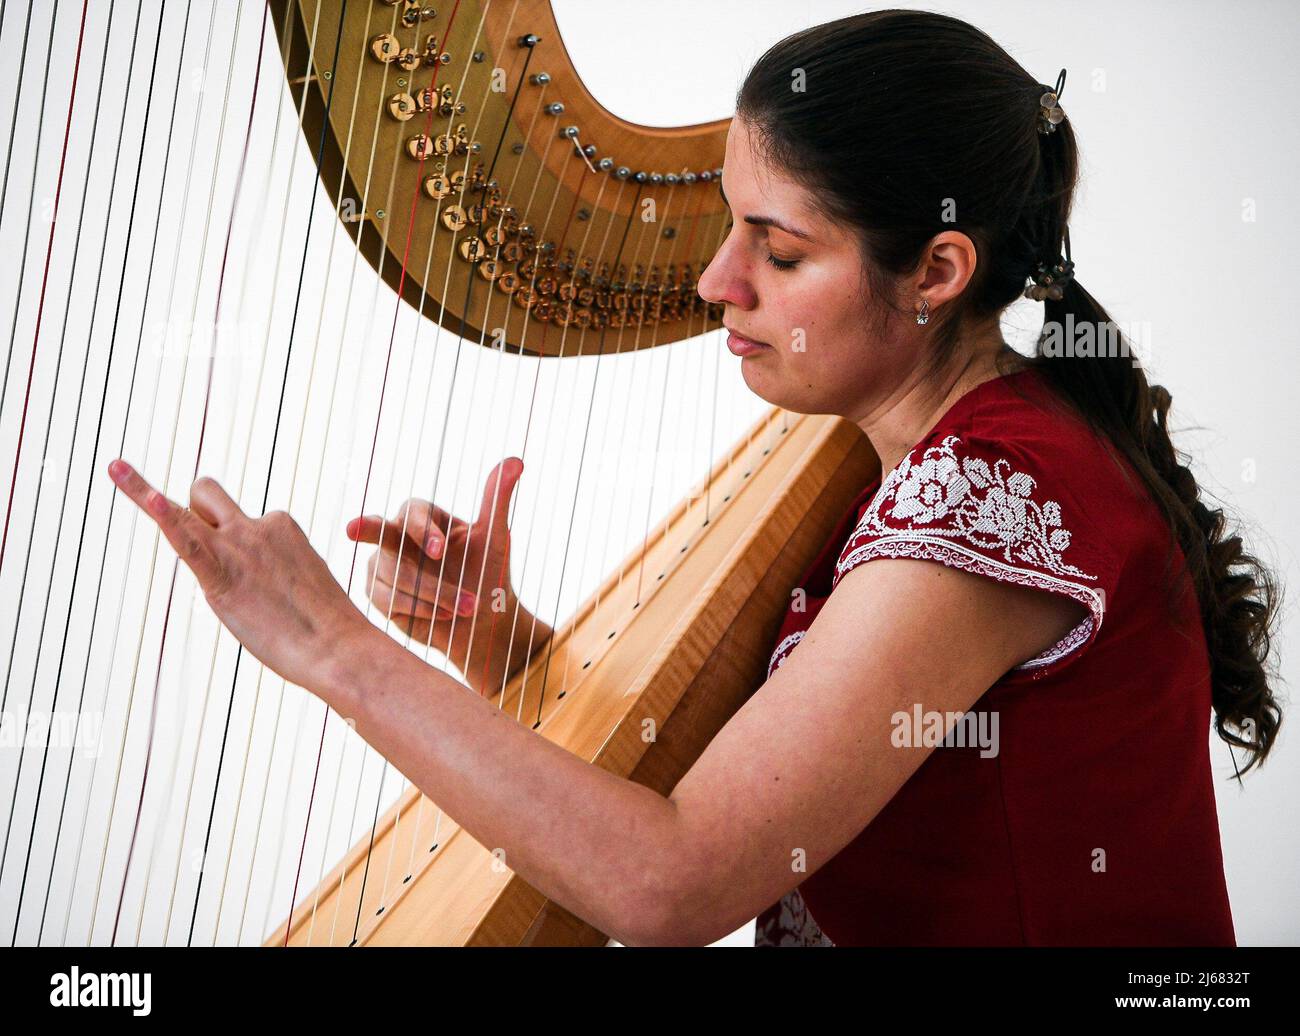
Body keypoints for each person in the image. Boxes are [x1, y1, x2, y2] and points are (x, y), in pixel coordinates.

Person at [107, 9, 1282, 946]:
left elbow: (668, 884)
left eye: (777, 250)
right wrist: (503, 646)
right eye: (728, 228)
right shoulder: (911, 456)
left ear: (934, 269)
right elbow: (751, 764)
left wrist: (332, 651)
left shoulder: (980, 502)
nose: (717, 280)